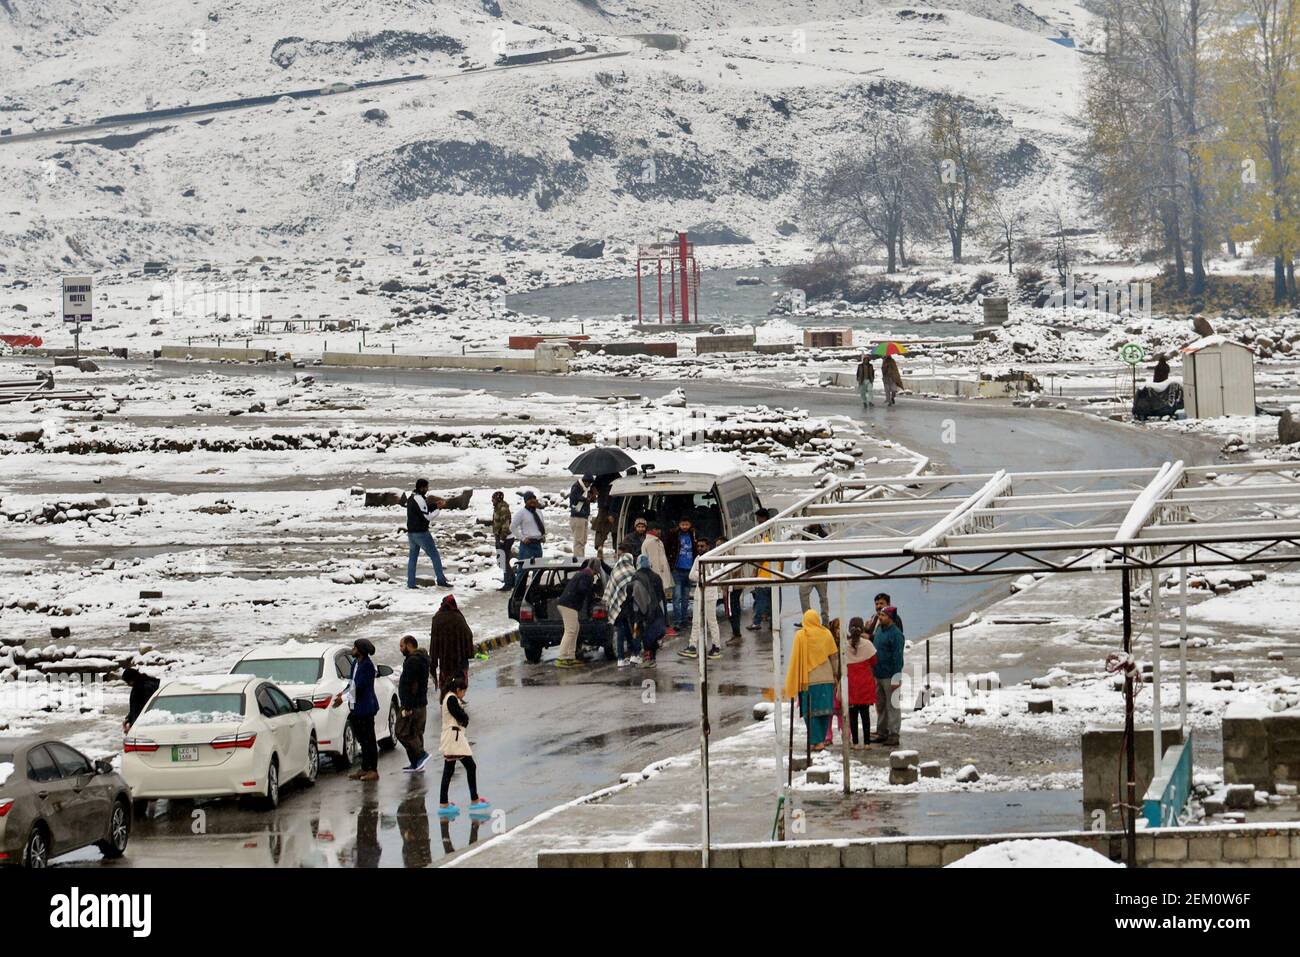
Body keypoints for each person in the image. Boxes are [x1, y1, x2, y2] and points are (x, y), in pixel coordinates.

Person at [783, 609, 840, 752]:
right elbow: (834, 656)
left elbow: (795, 658)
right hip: (826, 678)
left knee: (810, 712)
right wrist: (835, 674)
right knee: (824, 711)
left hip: (807, 680)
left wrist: (794, 678)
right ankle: (819, 739)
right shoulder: (826, 633)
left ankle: (816, 741)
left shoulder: (801, 635)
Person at [438, 677, 485, 812]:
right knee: (470, 766)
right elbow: (460, 716)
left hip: (452, 737)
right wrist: (465, 718)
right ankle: (474, 800)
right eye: (463, 692)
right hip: (455, 738)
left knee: (449, 770)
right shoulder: (452, 699)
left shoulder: (448, 697)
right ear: (458, 690)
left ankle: (444, 803)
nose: (464, 695)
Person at [680, 536, 721, 660]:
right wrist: (703, 575)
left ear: (708, 546)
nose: (700, 548)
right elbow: (691, 575)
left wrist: (703, 575)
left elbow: (716, 576)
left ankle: (716, 646)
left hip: (710, 595)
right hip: (699, 593)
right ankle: (692, 646)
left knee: (711, 621)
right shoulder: (698, 558)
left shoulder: (715, 559)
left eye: (702, 546)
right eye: (698, 546)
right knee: (696, 622)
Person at [344, 638, 380, 781]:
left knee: (369, 739)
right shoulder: (355, 664)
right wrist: (342, 695)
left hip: (366, 707)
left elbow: (359, 687)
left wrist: (344, 697)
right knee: (362, 740)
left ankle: (373, 770)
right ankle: (365, 768)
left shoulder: (367, 666)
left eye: (355, 647)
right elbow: (351, 683)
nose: (352, 649)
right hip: (355, 708)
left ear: (361, 650)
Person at [555, 558, 600, 668]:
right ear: (596, 569)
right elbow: (582, 588)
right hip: (569, 605)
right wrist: (592, 593)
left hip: (566, 604)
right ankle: (562, 657)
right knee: (570, 630)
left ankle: (570, 657)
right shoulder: (587, 575)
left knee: (575, 628)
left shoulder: (582, 573)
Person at [405, 479, 450, 589]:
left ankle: (411, 583)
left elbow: (422, 509)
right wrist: (438, 509)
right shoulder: (419, 499)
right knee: (435, 556)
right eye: (426, 488)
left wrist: (434, 505)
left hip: (411, 533)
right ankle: (441, 580)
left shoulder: (412, 497)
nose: (427, 489)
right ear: (422, 488)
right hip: (421, 533)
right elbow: (427, 516)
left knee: (412, 558)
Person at [396, 635, 431, 772]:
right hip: (419, 703)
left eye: (401, 646)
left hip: (413, 705)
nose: (400, 649)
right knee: (416, 732)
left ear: (409, 645)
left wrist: (407, 706)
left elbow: (411, 684)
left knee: (402, 731)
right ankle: (417, 763)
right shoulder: (419, 659)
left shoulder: (413, 661)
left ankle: (421, 755)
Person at [871, 606, 905, 746]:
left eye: (883, 615)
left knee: (893, 705)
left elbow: (898, 658)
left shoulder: (896, 635)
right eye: (880, 615)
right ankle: (882, 731)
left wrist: (897, 677)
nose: (880, 617)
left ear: (890, 618)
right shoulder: (879, 630)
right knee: (880, 705)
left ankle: (894, 733)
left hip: (890, 675)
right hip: (877, 674)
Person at [429, 594, 475, 696]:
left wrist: (433, 661)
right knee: (459, 680)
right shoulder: (458, 617)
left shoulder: (437, 618)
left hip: (445, 660)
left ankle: (445, 699)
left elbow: (434, 642)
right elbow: (468, 634)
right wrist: (466, 651)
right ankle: (457, 698)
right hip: (459, 658)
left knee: (446, 680)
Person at [844, 617, 877, 749]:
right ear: (862, 628)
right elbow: (874, 661)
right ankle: (867, 743)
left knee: (853, 715)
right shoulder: (868, 644)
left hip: (851, 683)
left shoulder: (844, 645)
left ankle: (856, 742)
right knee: (865, 714)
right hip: (865, 682)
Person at [631, 553, 668, 667]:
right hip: (656, 609)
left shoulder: (636, 576)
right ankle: (652, 658)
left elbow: (635, 595)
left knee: (643, 634)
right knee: (653, 633)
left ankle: (647, 659)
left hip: (642, 611)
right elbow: (661, 596)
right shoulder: (656, 576)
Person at [606, 546, 640, 667]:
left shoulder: (616, 570)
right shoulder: (632, 572)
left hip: (617, 606)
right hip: (627, 607)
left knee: (621, 631)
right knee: (634, 630)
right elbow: (634, 590)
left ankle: (621, 658)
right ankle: (633, 655)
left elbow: (611, 588)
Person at [665, 516, 697, 632]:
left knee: (685, 598)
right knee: (676, 597)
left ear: (690, 525)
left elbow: (696, 550)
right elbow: (667, 549)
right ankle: (677, 621)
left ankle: (684, 620)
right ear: (679, 525)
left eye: (686, 524)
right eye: (682, 524)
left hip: (689, 570)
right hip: (677, 570)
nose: (684, 527)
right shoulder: (674, 535)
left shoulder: (693, 535)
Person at [747, 508, 774, 632]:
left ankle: (757, 622)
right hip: (775, 573)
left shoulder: (766, 534)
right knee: (772, 600)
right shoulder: (774, 531)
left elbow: (762, 556)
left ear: (763, 518)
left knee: (760, 600)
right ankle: (773, 621)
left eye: (758, 519)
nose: (757, 521)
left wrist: (754, 571)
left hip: (765, 573)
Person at [510, 490, 547, 575]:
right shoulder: (521, 513)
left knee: (537, 571)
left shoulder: (539, 512)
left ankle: (534, 588)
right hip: (527, 545)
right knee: (522, 570)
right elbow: (512, 527)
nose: (532, 501)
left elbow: (541, 525)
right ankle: (519, 588)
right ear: (526, 501)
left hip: (538, 545)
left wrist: (543, 536)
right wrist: (522, 538)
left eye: (534, 498)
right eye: (529, 499)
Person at [797, 523, 830, 616]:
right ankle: (808, 618)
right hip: (808, 571)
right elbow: (801, 549)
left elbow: (828, 552)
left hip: (821, 571)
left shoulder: (824, 535)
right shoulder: (805, 533)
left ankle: (825, 621)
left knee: (823, 598)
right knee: (803, 594)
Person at [121, 666, 160, 734]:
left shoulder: (144, 687)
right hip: (140, 724)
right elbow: (135, 707)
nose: (128, 684)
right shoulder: (138, 685)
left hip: (144, 726)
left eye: (128, 681)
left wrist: (133, 724)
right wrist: (129, 718)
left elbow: (146, 707)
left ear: (132, 679)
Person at [491, 490, 515, 591]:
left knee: (504, 561)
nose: (491, 500)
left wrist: (502, 539)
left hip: (505, 538)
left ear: (497, 499)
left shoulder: (503, 508)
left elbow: (506, 524)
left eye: (493, 498)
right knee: (503, 561)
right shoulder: (497, 507)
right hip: (500, 537)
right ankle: (511, 580)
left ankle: (508, 583)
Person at [568, 475, 595, 559]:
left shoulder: (585, 489)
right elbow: (574, 499)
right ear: (585, 482)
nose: (589, 486)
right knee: (579, 541)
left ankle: (581, 559)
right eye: (589, 484)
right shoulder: (576, 487)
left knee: (583, 541)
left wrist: (591, 497)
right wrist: (586, 498)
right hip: (577, 517)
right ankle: (578, 561)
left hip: (583, 516)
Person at [591, 483, 615, 561]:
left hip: (602, 507)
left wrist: (595, 492)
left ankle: (599, 546)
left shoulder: (600, 475)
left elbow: (593, 487)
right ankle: (617, 550)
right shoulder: (616, 475)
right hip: (613, 506)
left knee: (600, 529)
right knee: (615, 530)